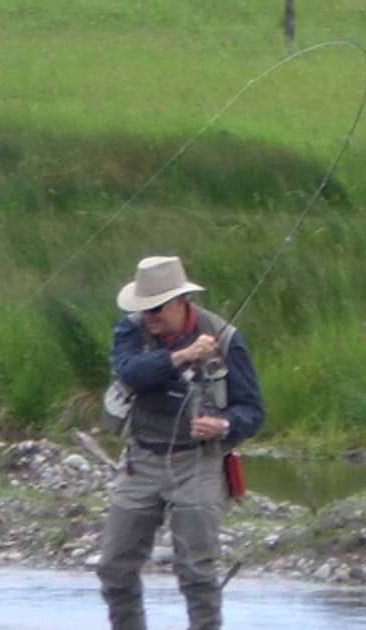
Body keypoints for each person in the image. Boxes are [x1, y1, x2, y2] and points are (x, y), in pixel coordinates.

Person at [96, 255, 265, 630]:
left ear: (180, 301)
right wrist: (182, 356)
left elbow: (252, 411)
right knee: (113, 568)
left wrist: (223, 424)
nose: (148, 317)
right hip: (140, 458)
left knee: (197, 573)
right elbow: (131, 372)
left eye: (156, 308)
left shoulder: (225, 338)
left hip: (198, 462)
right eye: (143, 309)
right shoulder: (130, 331)